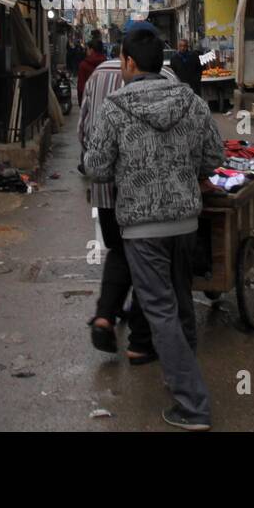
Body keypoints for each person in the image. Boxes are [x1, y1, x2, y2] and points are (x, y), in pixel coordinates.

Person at [84, 26, 224, 431]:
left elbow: (95, 167)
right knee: (180, 305)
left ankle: (192, 404)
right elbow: (213, 155)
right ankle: (179, 381)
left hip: (142, 228)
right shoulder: (190, 99)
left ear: (128, 61)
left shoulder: (114, 106)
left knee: (161, 312)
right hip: (184, 222)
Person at [79, 21, 179, 366]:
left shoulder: (96, 78)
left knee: (121, 252)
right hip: (152, 196)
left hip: (107, 194)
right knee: (147, 260)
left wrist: (96, 167)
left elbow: (84, 133)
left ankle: (106, 315)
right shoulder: (169, 81)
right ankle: (139, 340)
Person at [76, 38, 106, 105]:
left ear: (91, 50)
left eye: (87, 49)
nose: (86, 51)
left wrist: (81, 104)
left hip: (89, 103)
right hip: (105, 103)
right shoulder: (106, 64)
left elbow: (81, 88)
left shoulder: (83, 65)